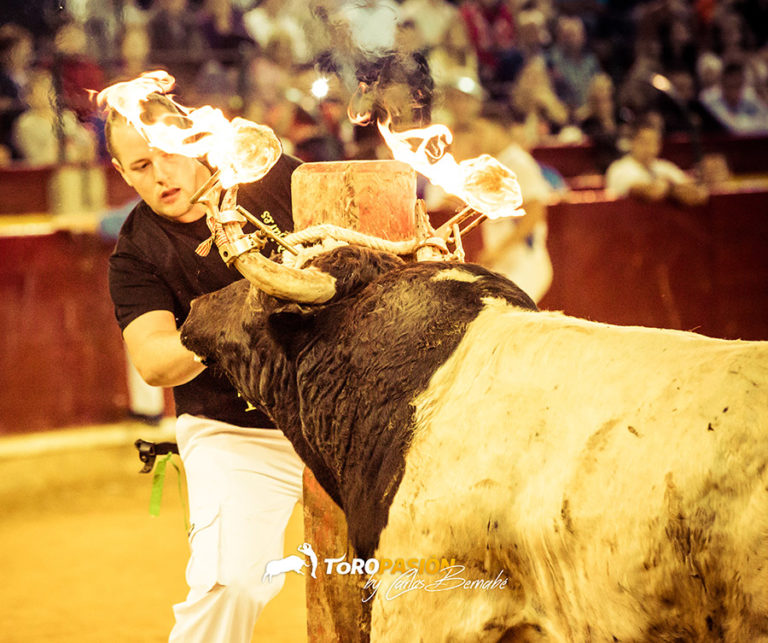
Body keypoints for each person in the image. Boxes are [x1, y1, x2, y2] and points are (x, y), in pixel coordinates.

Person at [105, 91, 305, 642]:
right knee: (232, 584)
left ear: (193, 139)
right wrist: (241, 308)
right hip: (238, 432)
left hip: (351, 412)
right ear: (123, 174)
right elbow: (154, 361)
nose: (161, 174)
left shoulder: (269, 172)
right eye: (142, 166)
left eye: (168, 152)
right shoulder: (137, 253)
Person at [605, 116, 709, 206]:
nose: (649, 148)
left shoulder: (665, 167)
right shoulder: (619, 169)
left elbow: (696, 193)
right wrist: (672, 188)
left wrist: (682, 190)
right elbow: (651, 193)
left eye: (653, 143)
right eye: (644, 142)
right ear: (632, 142)